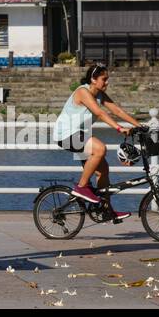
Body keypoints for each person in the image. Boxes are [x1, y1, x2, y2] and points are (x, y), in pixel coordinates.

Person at [52, 63, 145, 221]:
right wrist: (119, 128)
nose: (107, 82)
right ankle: (81, 187)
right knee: (100, 149)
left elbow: (117, 110)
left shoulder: (100, 94)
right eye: (104, 79)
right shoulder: (83, 91)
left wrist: (140, 126)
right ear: (93, 79)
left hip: (79, 134)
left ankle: (106, 210)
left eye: (108, 79)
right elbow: (100, 113)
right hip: (65, 134)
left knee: (103, 171)